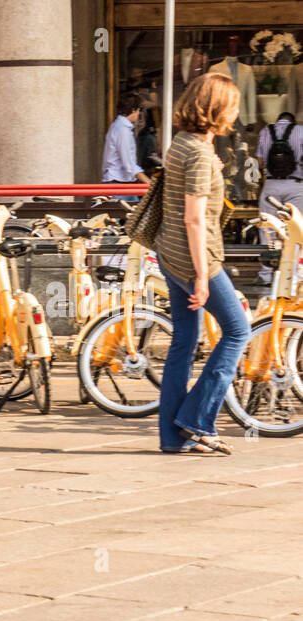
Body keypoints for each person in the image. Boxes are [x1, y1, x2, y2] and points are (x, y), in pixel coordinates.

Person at [152, 72, 249, 455]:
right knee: (238, 331)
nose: (237, 112)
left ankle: (171, 437)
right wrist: (202, 279)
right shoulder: (197, 152)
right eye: (233, 105)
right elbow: (194, 217)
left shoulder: (184, 143)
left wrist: (214, 169)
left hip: (169, 253)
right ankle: (196, 420)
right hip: (195, 259)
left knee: (183, 342)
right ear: (217, 108)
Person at [255, 110, 303, 283]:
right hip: (296, 184)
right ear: (292, 121)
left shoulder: (265, 131)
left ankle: (267, 274)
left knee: (268, 228)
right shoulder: (301, 131)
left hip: (271, 185)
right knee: (296, 229)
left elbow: (259, 161)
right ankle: (295, 274)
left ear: (278, 121)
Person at [102, 92, 151, 187]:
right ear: (133, 110)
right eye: (139, 110)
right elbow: (128, 163)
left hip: (120, 181)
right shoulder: (122, 130)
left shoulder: (118, 126)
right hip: (118, 182)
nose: (138, 113)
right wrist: (148, 182)